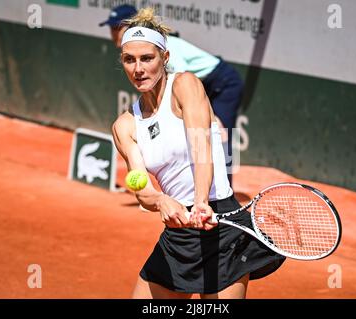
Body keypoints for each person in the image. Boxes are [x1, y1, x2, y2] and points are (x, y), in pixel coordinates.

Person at [110, 7, 285, 299]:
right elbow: (139, 185)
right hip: (180, 235)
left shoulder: (185, 86)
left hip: (220, 223)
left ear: (164, 58)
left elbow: (200, 147)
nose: (138, 69)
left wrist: (201, 201)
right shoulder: (125, 126)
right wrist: (161, 200)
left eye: (147, 58)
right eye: (130, 60)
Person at [100, 4, 244, 186]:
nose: (113, 33)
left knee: (221, 133)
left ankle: (226, 189)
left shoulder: (161, 49)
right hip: (202, 82)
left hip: (223, 83)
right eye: (111, 28)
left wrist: (212, 118)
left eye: (116, 28)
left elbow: (181, 83)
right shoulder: (143, 49)